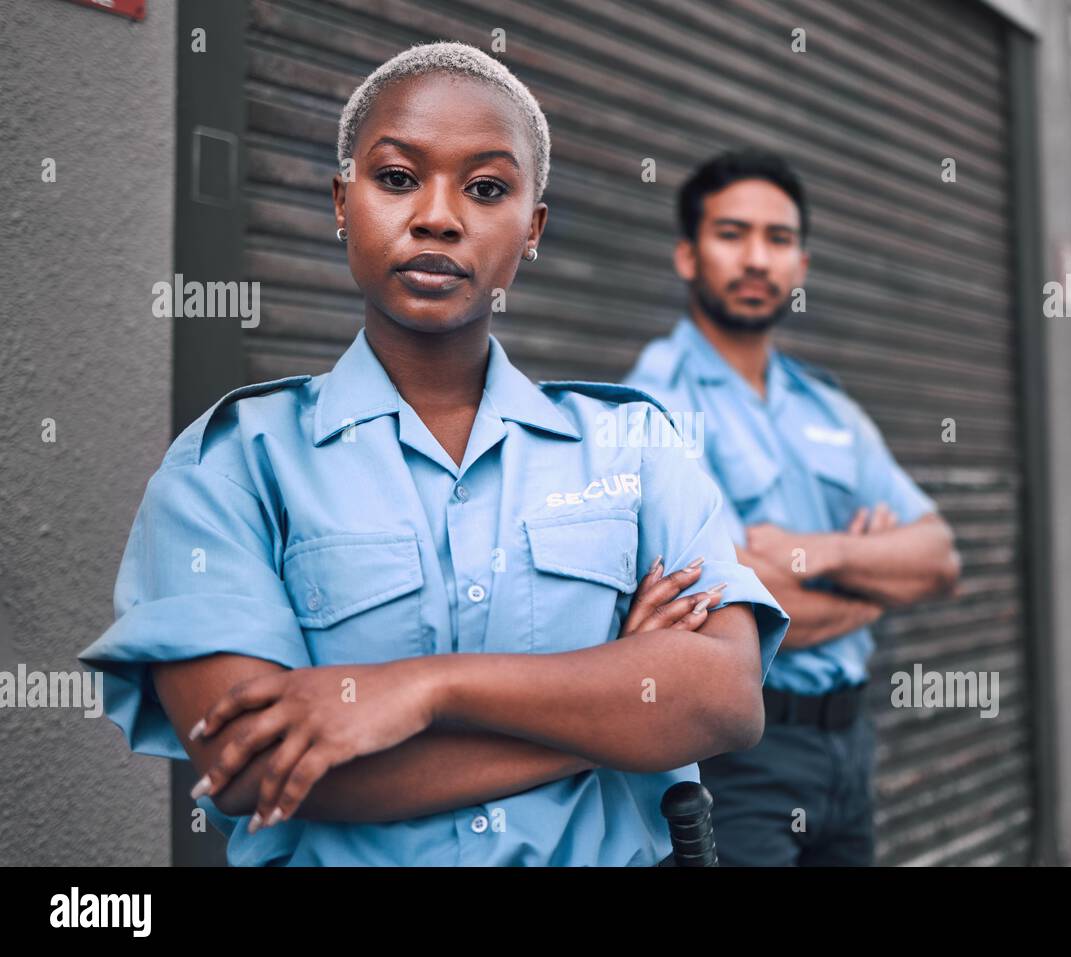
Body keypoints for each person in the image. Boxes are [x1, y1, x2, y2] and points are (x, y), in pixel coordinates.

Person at [77, 44, 787, 867]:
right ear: (342, 203)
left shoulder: (631, 443)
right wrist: (618, 710)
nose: (439, 217)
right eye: (397, 177)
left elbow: (726, 699)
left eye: (487, 188)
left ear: (533, 229)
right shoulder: (232, 465)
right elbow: (250, 765)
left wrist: (419, 689)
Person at [624, 149, 960, 866]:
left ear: (801, 265)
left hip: (849, 747)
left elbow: (938, 557)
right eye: (731, 234)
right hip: (738, 761)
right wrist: (877, 584)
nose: (757, 259)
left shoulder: (827, 404)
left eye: (778, 240)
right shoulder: (656, 402)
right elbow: (727, 610)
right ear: (687, 255)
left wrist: (827, 556)